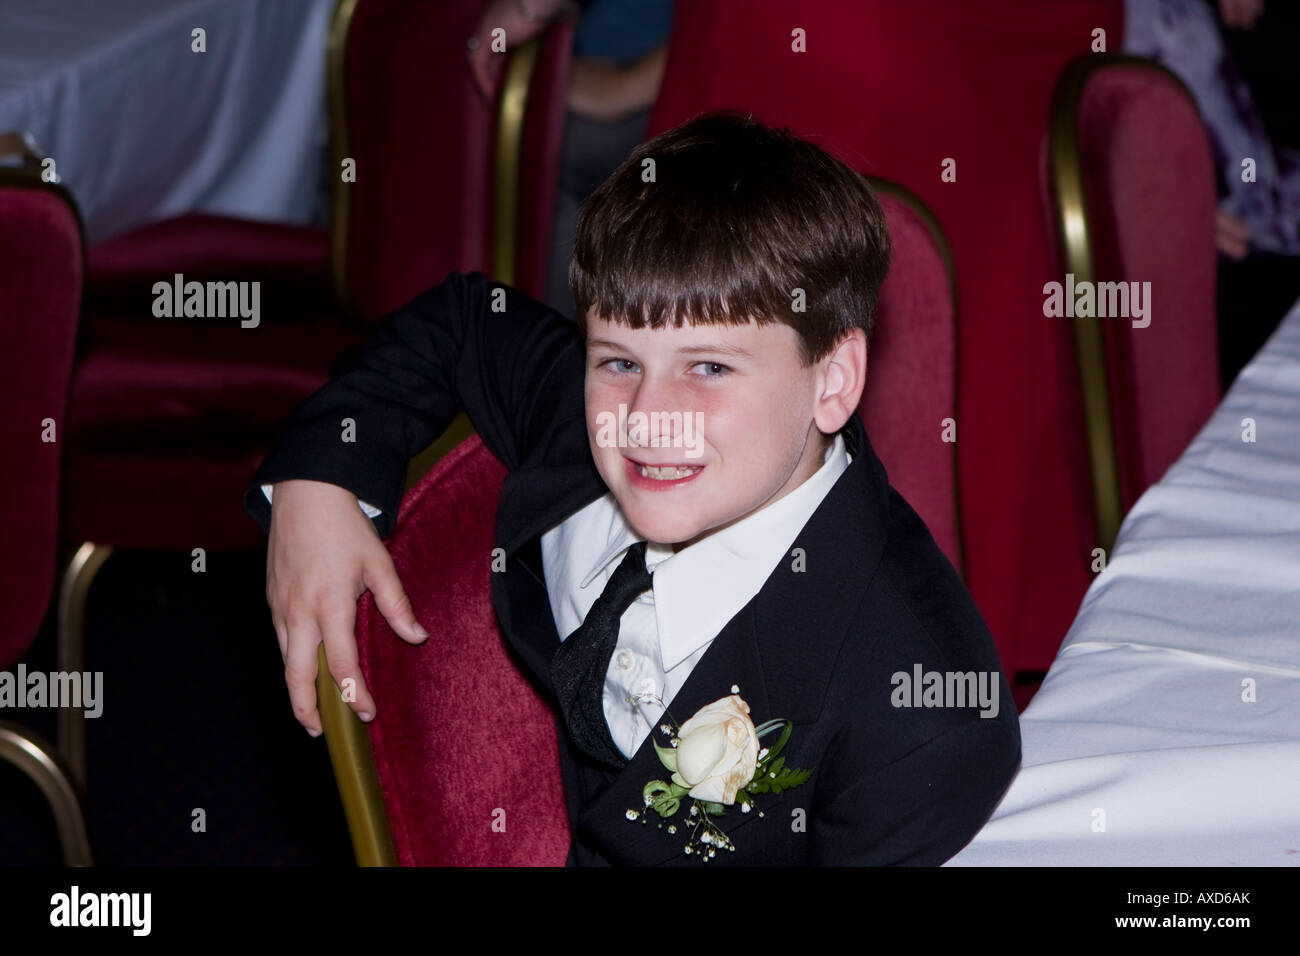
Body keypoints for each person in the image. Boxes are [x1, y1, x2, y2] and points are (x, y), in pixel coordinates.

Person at [245, 111, 1021, 865]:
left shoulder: (921, 721)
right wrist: (316, 485)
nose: (647, 421)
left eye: (709, 368)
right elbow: (459, 322)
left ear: (835, 379)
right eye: (618, 361)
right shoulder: (587, 430)